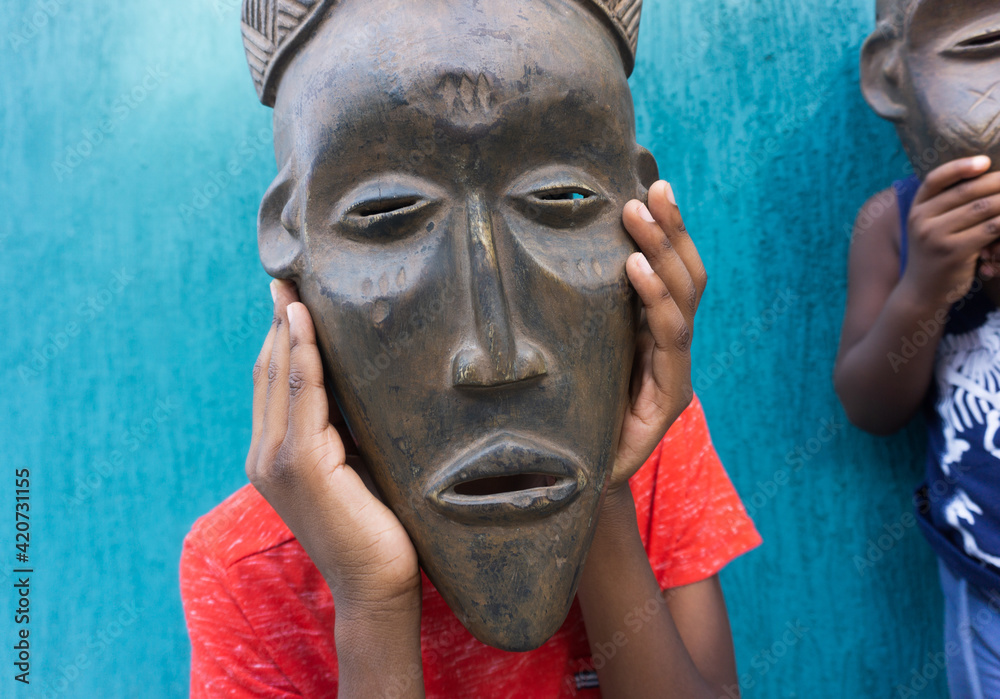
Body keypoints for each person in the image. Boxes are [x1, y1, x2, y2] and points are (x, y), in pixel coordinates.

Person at [182, 0, 760, 696]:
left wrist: (603, 494)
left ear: (644, 222)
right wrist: (372, 599)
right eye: (386, 211)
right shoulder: (247, 568)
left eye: (562, 197)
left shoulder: (656, 446)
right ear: (288, 240)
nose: (499, 355)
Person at [836, 1, 1000, 695]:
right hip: (987, 591)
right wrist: (926, 288)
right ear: (891, 78)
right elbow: (869, 404)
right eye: (987, 41)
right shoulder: (893, 226)